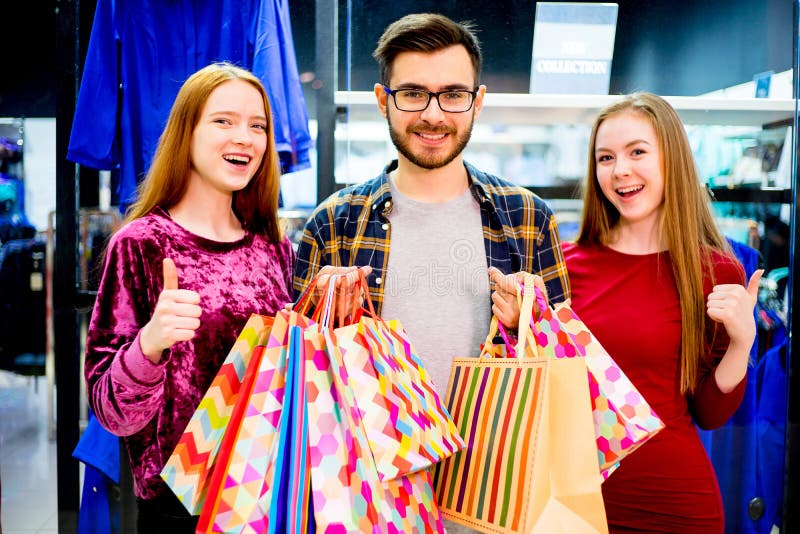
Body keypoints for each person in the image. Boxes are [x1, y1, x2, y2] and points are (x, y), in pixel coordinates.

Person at [292, 13, 569, 532]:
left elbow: (563, 375)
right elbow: (300, 386)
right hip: (366, 500)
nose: (434, 114)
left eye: (453, 94)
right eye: (413, 94)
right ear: (383, 100)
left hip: (497, 497)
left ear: (477, 101)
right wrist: (326, 329)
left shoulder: (527, 217)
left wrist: (526, 325)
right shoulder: (334, 222)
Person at [83, 62, 295, 533]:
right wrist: (150, 345)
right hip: (180, 506)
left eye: (257, 125)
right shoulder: (142, 244)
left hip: (266, 495)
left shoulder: (274, 247)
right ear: (187, 132)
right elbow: (109, 411)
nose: (245, 137)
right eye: (224, 121)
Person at [562, 92, 761, 532]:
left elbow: (709, 413)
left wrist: (742, 342)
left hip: (674, 501)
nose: (620, 170)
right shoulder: (564, 264)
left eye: (637, 152)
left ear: (671, 157)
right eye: (606, 157)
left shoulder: (713, 268)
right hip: (571, 504)